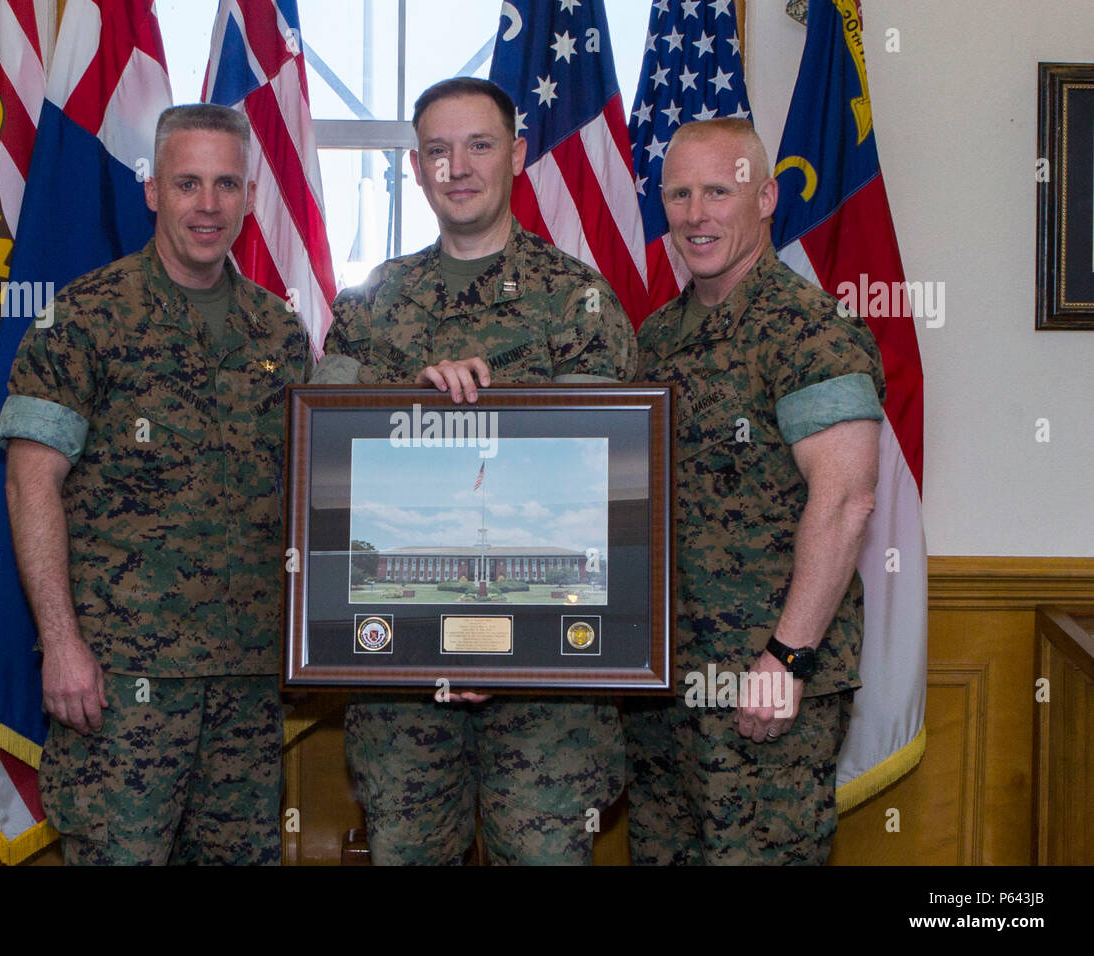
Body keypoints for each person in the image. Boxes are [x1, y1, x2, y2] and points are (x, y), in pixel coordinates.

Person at [313, 77, 637, 865]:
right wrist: (405, 403)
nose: (457, 167)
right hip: (400, 683)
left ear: (518, 154)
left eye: (479, 145)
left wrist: (499, 651)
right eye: (436, 151)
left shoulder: (580, 303)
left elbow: (601, 490)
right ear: (418, 169)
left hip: (551, 694)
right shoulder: (371, 304)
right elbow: (322, 473)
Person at [0, 104, 310, 865]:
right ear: (152, 190)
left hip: (247, 680)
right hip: (123, 683)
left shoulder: (280, 333)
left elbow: (314, 492)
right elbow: (30, 482)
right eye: (188, 183)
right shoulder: (84, 319)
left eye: (226, 185)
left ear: (249, 195)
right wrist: (63, 646)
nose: (208, 206)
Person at [626, 117, 884, 865]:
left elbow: (846, 501)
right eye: (679, 194)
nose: (696, 213)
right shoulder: (657, 338)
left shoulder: (810, 332)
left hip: (763, 685)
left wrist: (786, 659)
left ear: (765, 196)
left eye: (718, 190)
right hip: (667, 684)